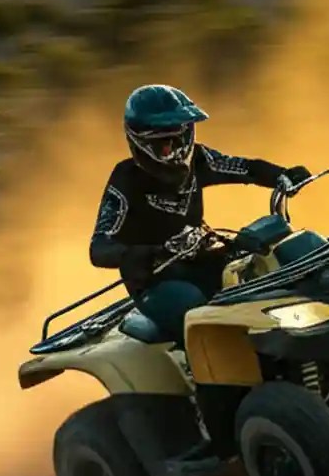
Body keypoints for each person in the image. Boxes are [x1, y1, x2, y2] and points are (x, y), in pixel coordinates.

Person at [89, 84, 312, 346]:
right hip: (156, 281)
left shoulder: (199, 159)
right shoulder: (125, 181)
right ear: (141, 142)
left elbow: (244, 168)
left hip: (204, 261)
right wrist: (147, 253)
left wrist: (281, 175)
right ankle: (215, 385)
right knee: (199, 313)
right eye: (165, 143)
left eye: (182, 138)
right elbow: (99, 248)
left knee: (270, 270)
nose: (176, 149)